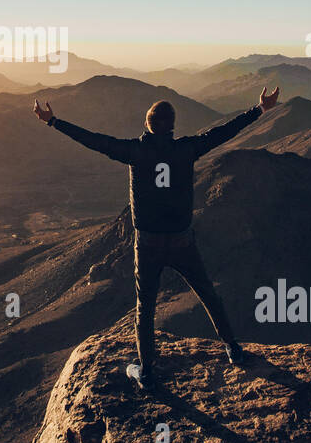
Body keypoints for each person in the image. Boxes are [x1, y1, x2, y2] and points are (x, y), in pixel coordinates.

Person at [33, 86, 280, 388]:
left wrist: (53, 121)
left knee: (145, 306)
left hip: (148, 243)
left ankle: (146, 372)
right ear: (173, 126)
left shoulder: (134, 151)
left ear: (147, 124)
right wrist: (259, 110)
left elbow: (94, 141)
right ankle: (233, 350)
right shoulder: (187, 148)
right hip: (182, 241)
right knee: (207, 294)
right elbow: (223, 133)